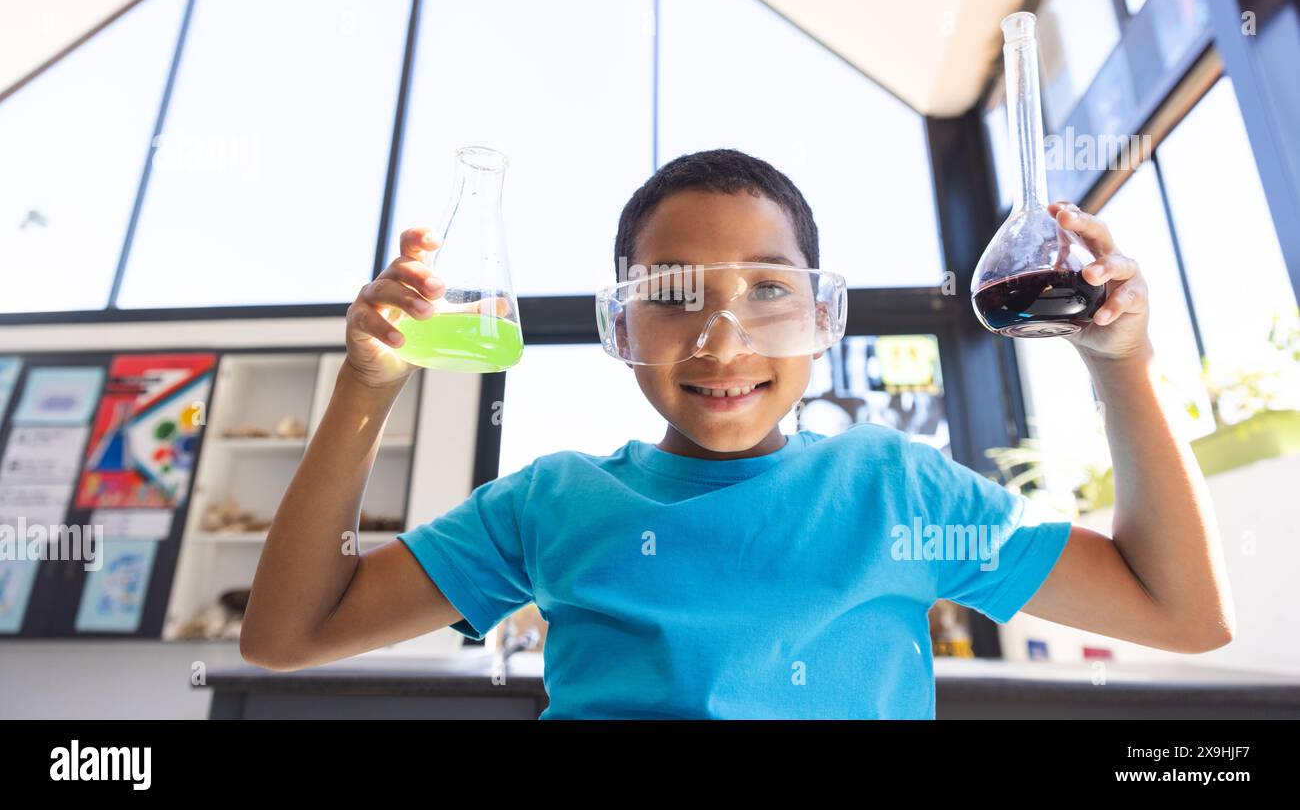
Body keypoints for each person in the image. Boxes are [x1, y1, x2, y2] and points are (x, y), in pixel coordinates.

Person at [239, 148, 1235, 718]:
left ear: (821, 318)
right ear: (619, 328)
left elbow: (1181, 613)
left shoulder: (898, 492)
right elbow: (290, 632)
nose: (721, 338)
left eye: (767, 289)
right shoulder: (553, 504)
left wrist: (1119, 366)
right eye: (672, 296)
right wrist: (366, 388)